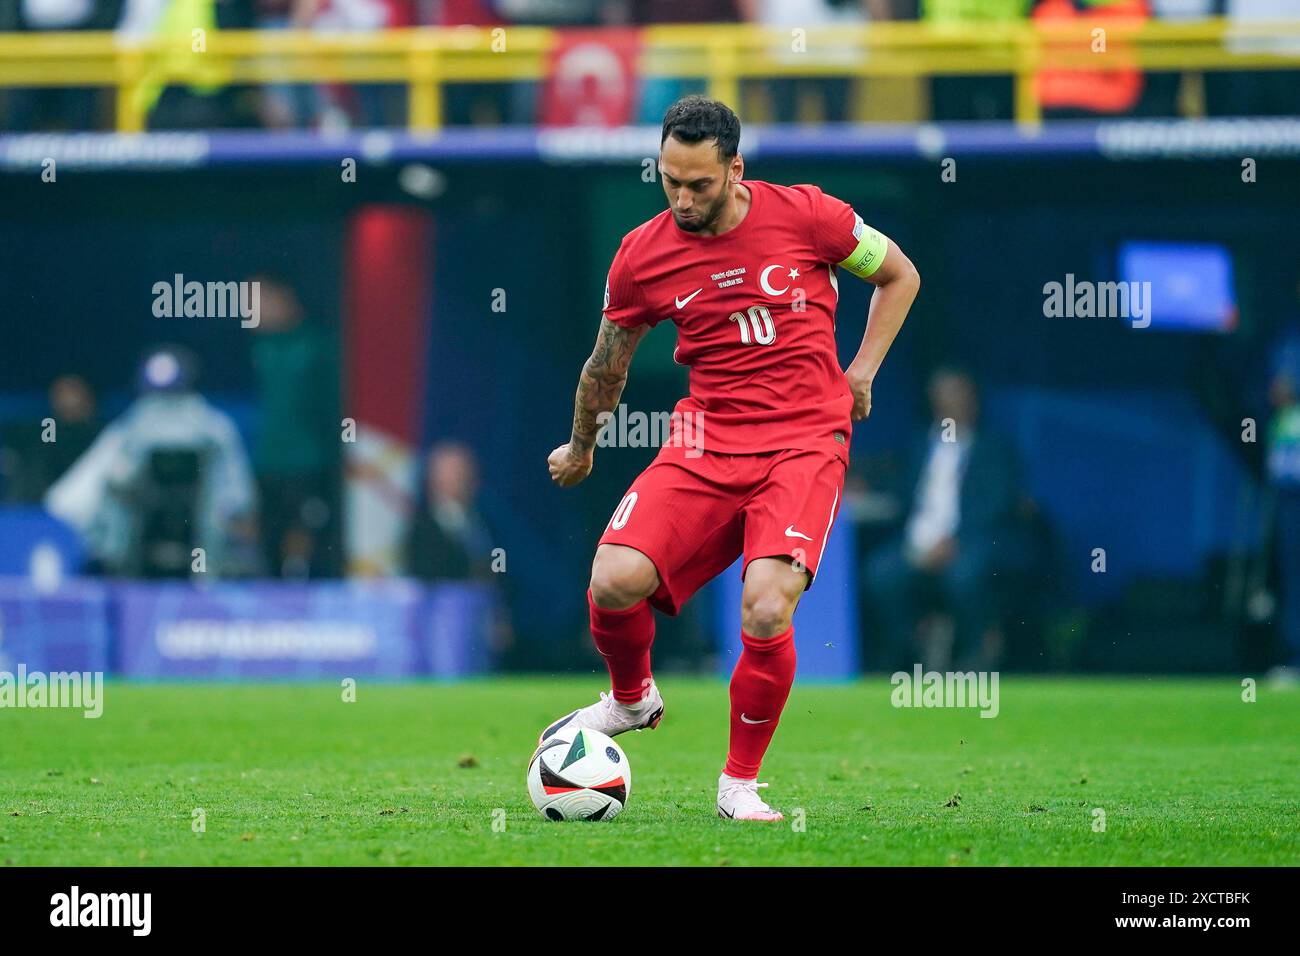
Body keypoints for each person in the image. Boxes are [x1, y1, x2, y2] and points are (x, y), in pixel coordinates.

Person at [542, 96, 920, 821]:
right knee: (614, 579)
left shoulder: (812, 216)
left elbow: (899, 275)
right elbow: (606, 366)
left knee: (768, 606)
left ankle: (738, 783)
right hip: (705, 438)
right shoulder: (641, 255)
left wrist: (863, 370)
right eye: (670, 181)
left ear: (735, 169)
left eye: (700, 185)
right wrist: (582, 445)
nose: (683, 199)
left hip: (806, 439)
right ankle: (631, 700)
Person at [44, 346, 259, 577]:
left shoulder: (213, 429)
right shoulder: (132, 426)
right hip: (140, 535)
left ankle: (208, 575)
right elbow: (82, 492)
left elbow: (236, 492)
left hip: (203, 538)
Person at [863, 367, 1023, 672]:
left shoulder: (994, 448)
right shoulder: (918, 444)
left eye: (956, 396)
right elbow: (901, 492)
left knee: (965, 576)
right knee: (879, 575)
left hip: (968, 542)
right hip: (916, 545)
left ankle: (977, 652)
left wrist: (954, 541)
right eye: (942, 397)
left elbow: (998, 504)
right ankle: (916, 646)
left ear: (973, 400)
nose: (949, 404)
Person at [406, 442, 495, 581]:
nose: (457, 478)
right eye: (450, 472)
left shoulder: (487, 522)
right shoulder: (422, 528)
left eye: (461, 472)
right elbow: (423, 573)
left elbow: (499, 567)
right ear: (434, 479)